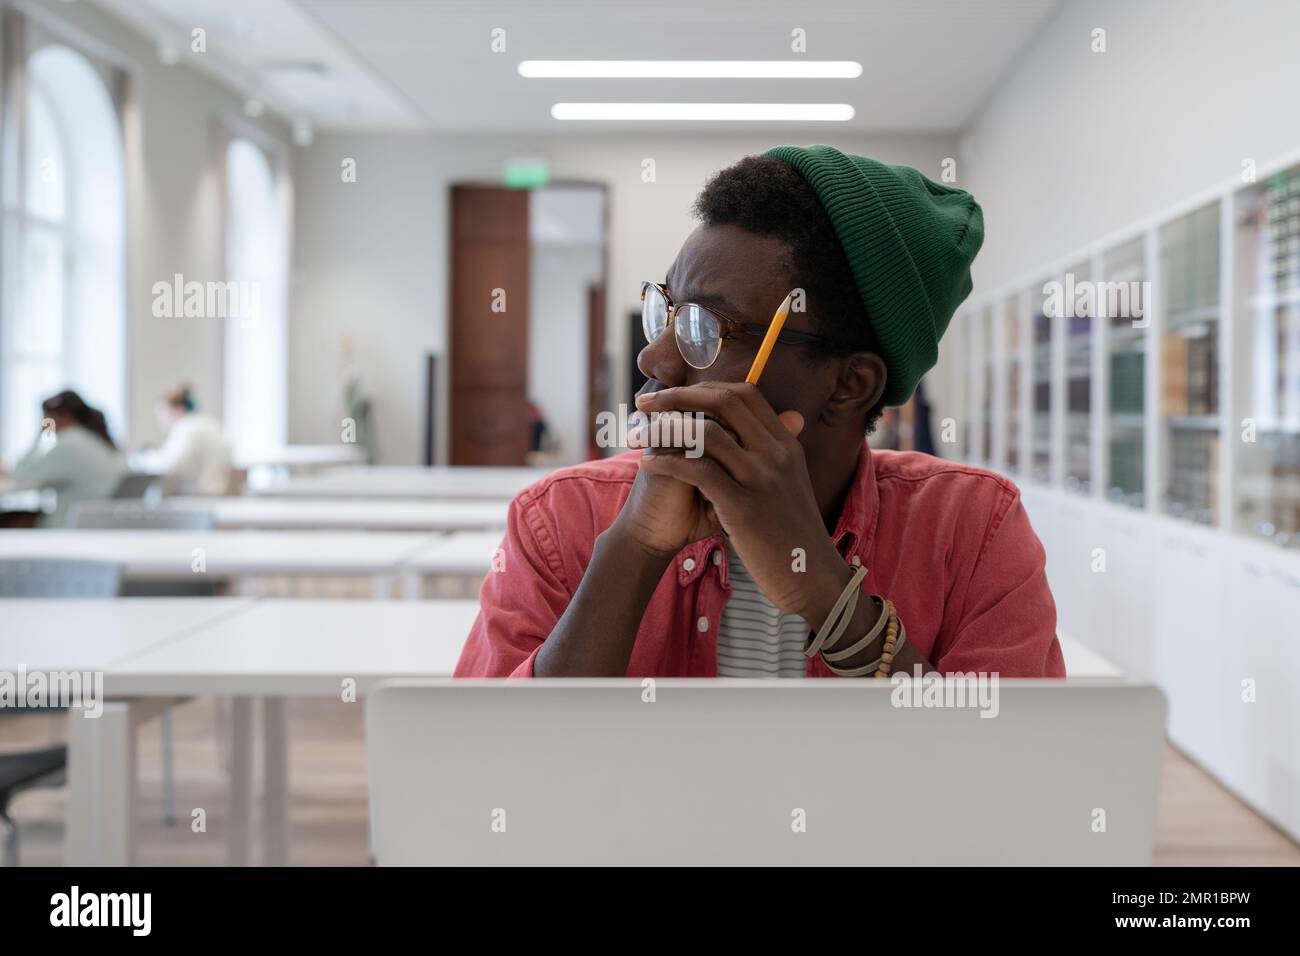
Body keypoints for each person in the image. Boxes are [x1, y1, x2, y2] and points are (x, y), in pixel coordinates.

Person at [456, 146, 1063, 679]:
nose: (656, 359)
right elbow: (489, 781)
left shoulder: (972, 530)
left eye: (705, 327)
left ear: (849, 384)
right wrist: (635, 549)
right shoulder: (562, 519)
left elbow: (1007, 789)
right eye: (665, 312)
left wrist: (827, 595)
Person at [8, 390, 128, 527]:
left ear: (54, 418)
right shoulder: (96, 440)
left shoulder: (69, 446)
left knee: (11, 520)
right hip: (99, 525)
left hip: (70, 527)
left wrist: (39, 438)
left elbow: (21, 476)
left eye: (46, 418)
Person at [145, 385, 233, 495]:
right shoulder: (210, 423)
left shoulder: (185, 428)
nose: (161, 421)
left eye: (162, 414)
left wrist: (145, 459)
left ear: (176, 409)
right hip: (218, 493)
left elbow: (171, 467)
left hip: (197, 496)